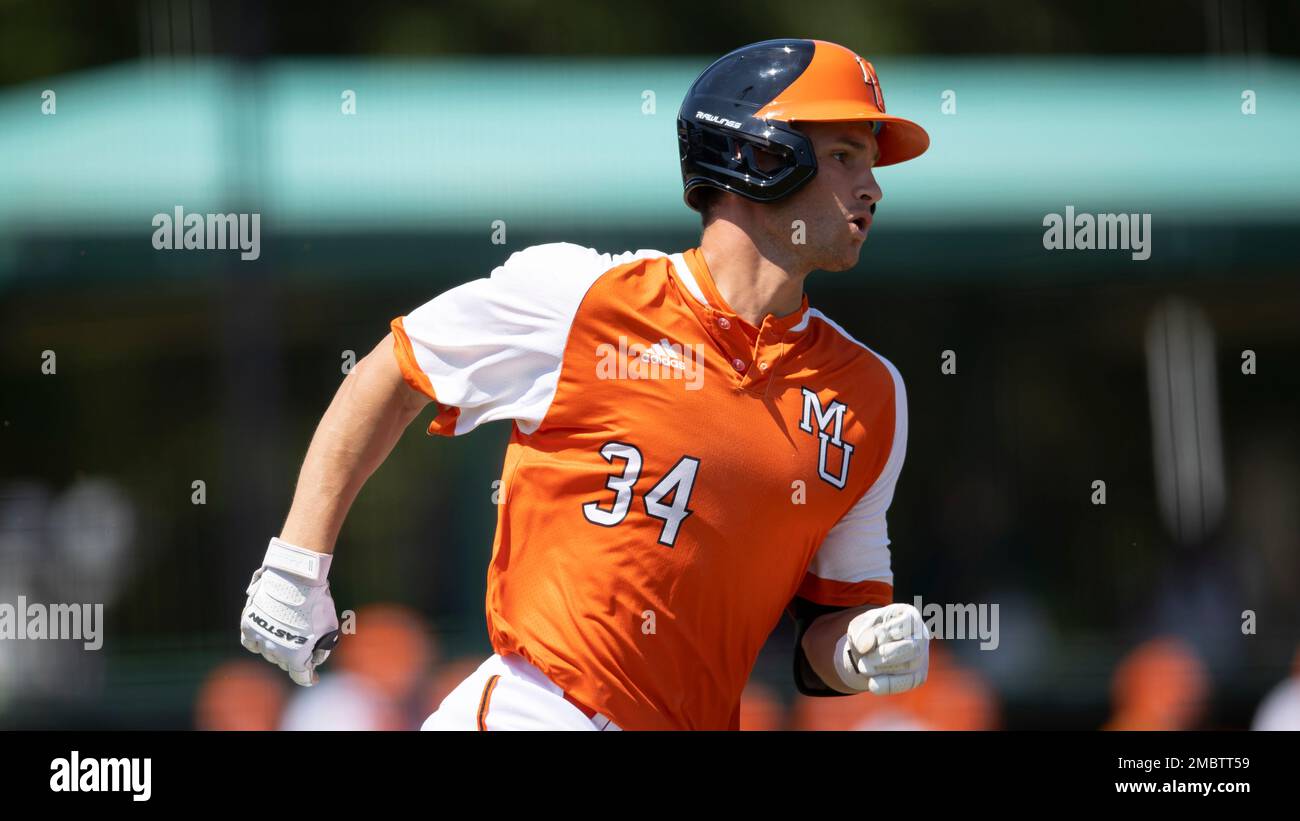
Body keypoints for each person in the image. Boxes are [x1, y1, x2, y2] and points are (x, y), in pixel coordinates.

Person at [239, 38, 932, 731]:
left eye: (869, 162)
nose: (872, 187)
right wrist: (298, 563)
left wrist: (864, 650)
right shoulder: (581, 296)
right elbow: (391, 374)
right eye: (845, 156)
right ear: (760, 154)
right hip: (538, 710)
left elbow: (825, 636)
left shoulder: (871, 395)